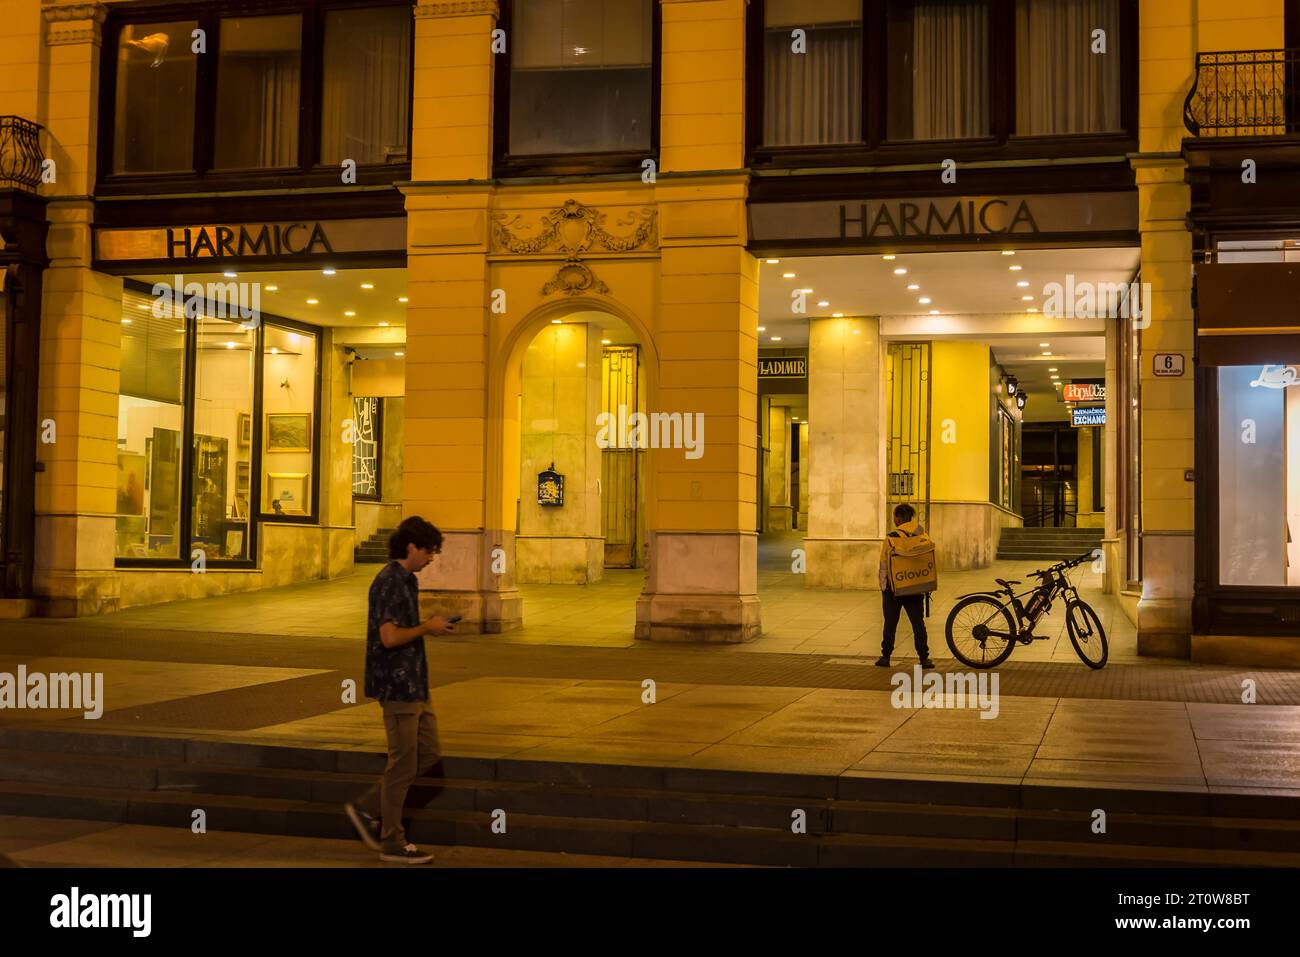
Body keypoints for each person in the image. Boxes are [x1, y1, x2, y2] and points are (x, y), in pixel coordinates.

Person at [345, 516, 457, 863]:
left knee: (426, 754)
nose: (431, 558)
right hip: (397, 684)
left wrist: (428, 626)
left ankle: (366, 808)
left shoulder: (407, 580)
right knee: (403, 763)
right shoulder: (390, 581)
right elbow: (389, 636)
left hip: (415, 684)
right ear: (411, 547)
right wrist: (428, 627)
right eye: (428, 551)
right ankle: (391, 841)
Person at [876, 503, 935, 669]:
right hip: (915, 586)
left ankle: (885, 657)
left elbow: (883, 565)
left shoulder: (891, 537)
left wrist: (883, 587)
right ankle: (924, 658)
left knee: (890, 623)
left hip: (894, 588)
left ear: (899, 518)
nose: (894, 519)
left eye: (895, 517)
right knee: (918, 623)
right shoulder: (923, 535)